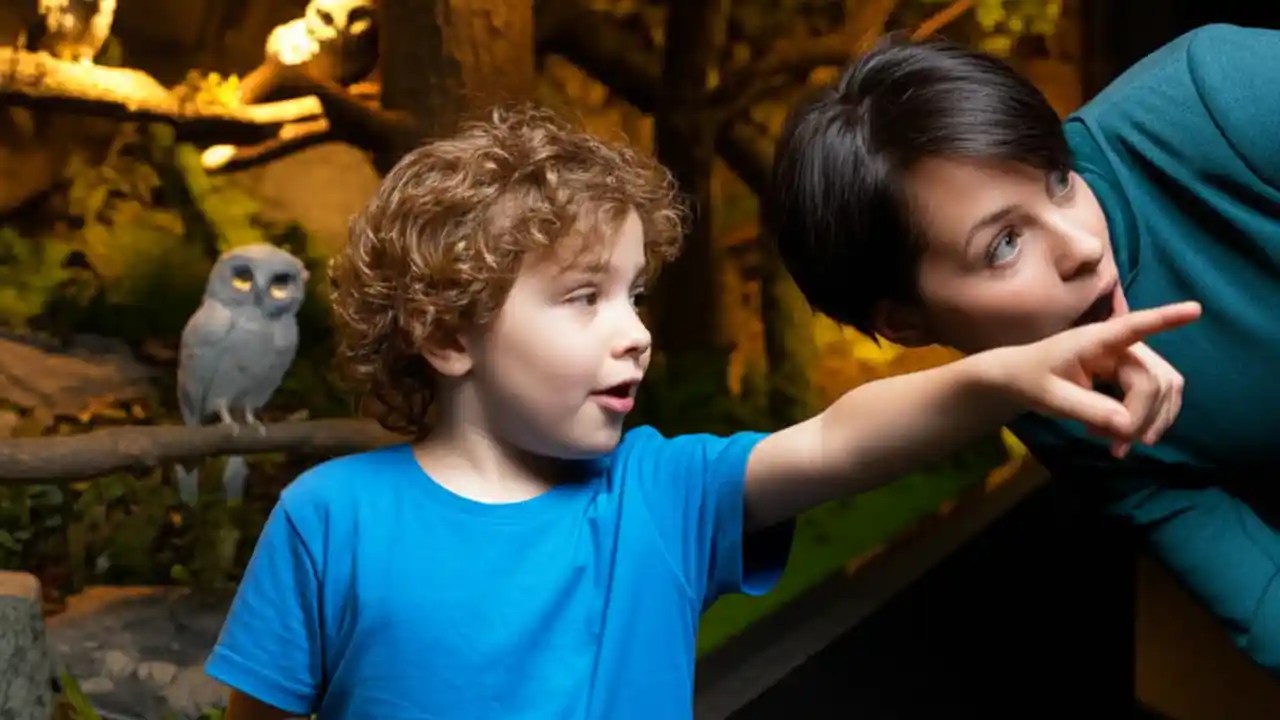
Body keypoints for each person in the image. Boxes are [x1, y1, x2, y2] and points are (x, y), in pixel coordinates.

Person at [205, 105, 1198, 720]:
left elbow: (840, 439)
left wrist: (1007, 375)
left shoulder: (659, 492)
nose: (635, 331)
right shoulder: (328, 518)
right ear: (448, 335)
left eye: (635, 295)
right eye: (585, 295)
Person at [768, 24, 1280, 672]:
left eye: (1059, 178)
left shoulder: (1218, 92)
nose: (1083, 246)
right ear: (905, 324)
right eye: (1004, 245)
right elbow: (1260, 591)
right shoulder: (1052, 406)